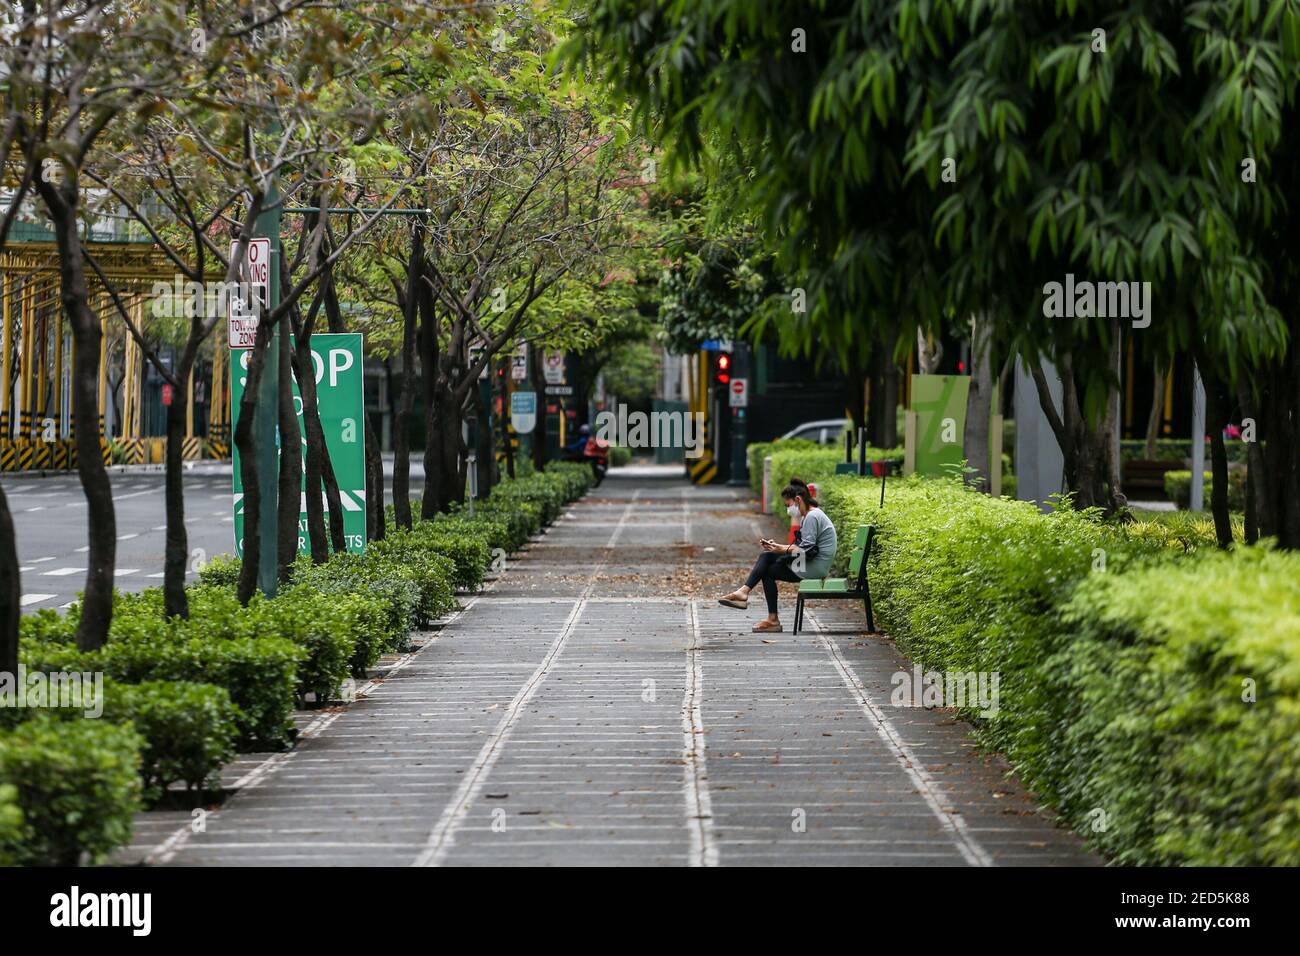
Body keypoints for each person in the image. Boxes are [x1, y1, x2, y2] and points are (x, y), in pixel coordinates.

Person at [718, 477, 838, 633]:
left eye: (788, 505)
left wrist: (780, 549)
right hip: (810, 563)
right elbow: (801, 548)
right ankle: (746, 595)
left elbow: (806, 550)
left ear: (798, 499)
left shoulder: (812, 517)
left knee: (767, 569)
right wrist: (777, 547)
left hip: (814, 567)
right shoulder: (810, 515)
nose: (788, 509)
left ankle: (757, 606)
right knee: (767, 556)